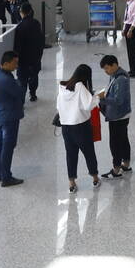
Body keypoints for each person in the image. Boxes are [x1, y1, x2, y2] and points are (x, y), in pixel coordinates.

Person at [56, 64, 100, 192]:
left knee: (71, 154)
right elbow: (88, 105)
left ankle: (71, 183)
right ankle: (95, 178)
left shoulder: (63, 86)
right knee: (89, 153)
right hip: (81, 126)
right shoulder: (80, 87)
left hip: (66, 128)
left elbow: (58, 107)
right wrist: (98, 97)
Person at [0, 50, 24, 186]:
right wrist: (18, 82)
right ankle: (6, 177)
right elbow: (20, 92)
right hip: (9, 117)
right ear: (6, 63)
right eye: (15, 63)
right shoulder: (6, 80)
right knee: (7, 147)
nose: (17, 66)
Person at [97, 55, 132, 178]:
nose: (106, 72)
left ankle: (116, 169)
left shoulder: (120, 79)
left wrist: (103, 99)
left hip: (118, 116)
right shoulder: (115, 75)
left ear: (114, 65)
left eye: (107, 68)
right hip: (121, 114)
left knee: (115, 142)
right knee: (123, 139)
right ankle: (126, 164)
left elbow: (118, 100)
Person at [8, 1, 43, 101]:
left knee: (22, 80)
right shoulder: (36, 23)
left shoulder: (20, 27)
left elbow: (17, 45)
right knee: (34, 76)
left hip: (23, 59)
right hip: (35, 57)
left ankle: (21, 99)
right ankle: (33, 94)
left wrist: (15, 58)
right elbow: (40, 40)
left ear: (21, 12)